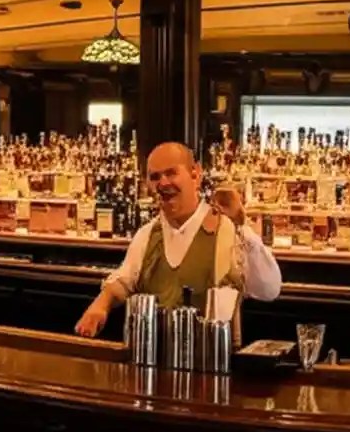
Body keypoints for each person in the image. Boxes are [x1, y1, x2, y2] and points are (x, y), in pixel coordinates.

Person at [74, 141, 281, 338]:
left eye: (171, 173)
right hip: (153, 364)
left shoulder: (227, 229)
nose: (163, 183)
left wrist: (241, 227)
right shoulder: (147, 234)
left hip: (211, 365)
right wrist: (100, 305)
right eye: (155, 177)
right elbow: (124, 279)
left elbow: (269, 289)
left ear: (195, 174)